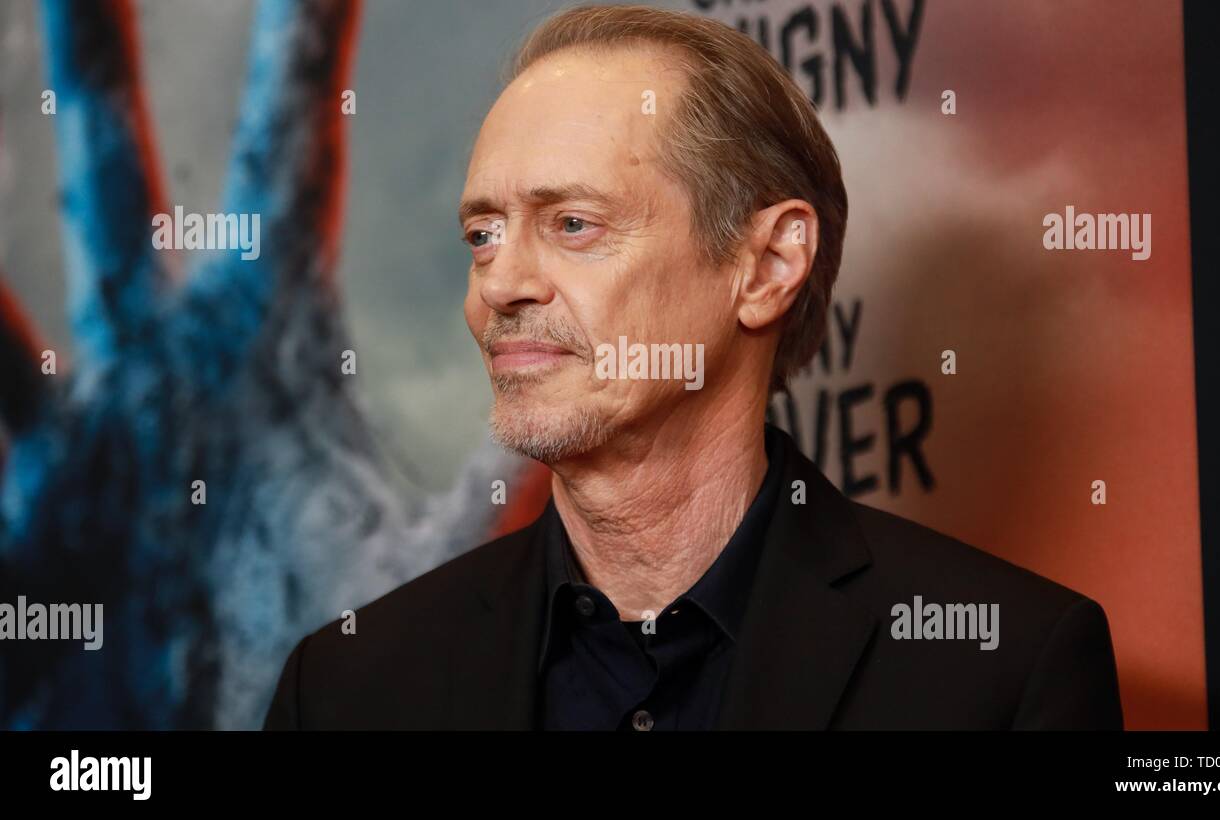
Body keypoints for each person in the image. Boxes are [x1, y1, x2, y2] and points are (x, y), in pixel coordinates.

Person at [264, 4, 1122, 731]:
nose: (502, 286)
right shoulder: (347, 689)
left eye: (572, 225)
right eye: (482, 235)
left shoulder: (1005, 673)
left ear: (767, 265)